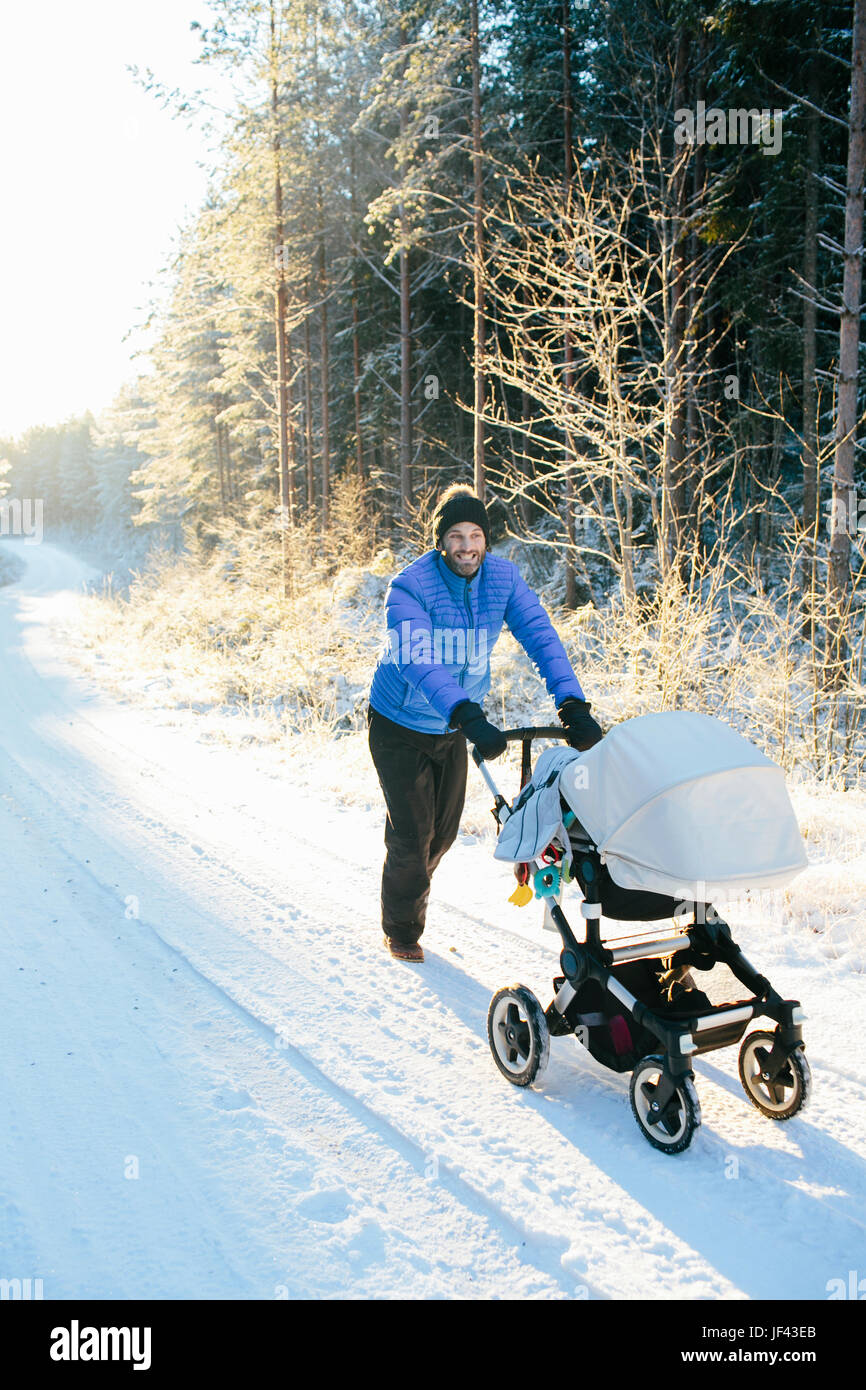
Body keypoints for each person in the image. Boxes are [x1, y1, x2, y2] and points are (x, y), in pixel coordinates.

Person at [367, 484, 602, 963]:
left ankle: (409, 878)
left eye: (475, 534)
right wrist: (468, 712)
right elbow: (417, 658)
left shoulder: (503, 579)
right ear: (441, 541)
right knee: (414, 835)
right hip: (400, 724)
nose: (467, 545)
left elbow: (540, 635)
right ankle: (402, 929)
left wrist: (572, 704)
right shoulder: (409, 587)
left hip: (454, 727)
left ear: (486, 540)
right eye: (455, 535)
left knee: (443, 835)